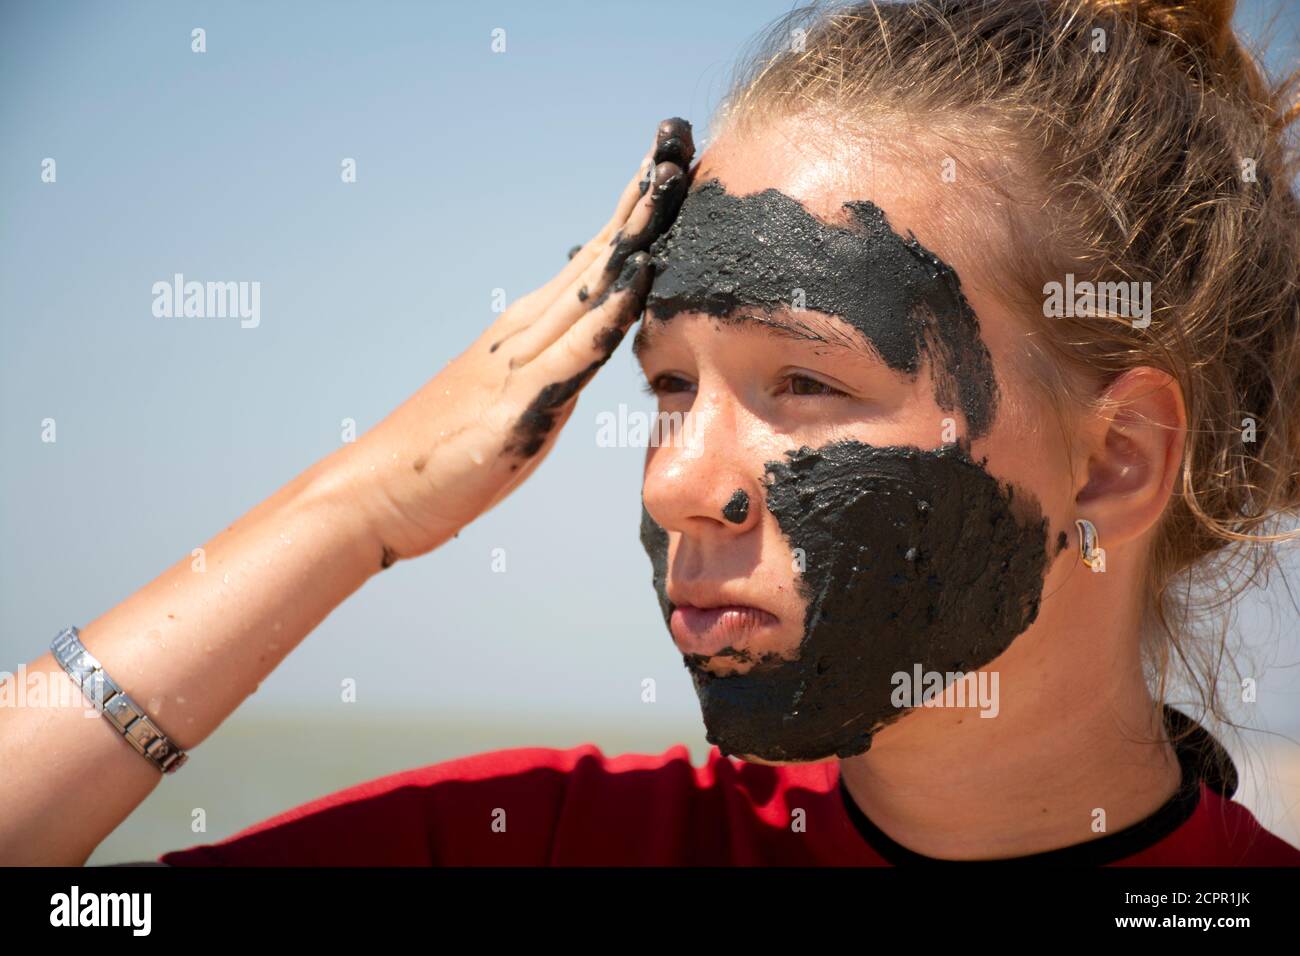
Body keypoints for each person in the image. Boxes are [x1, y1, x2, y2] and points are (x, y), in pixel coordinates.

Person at [4, 0, 1300, 866]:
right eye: (669, 387)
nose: (680, 482)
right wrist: (361, 507)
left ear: (1115, 460)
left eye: (803, 383)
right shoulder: (562, 845)